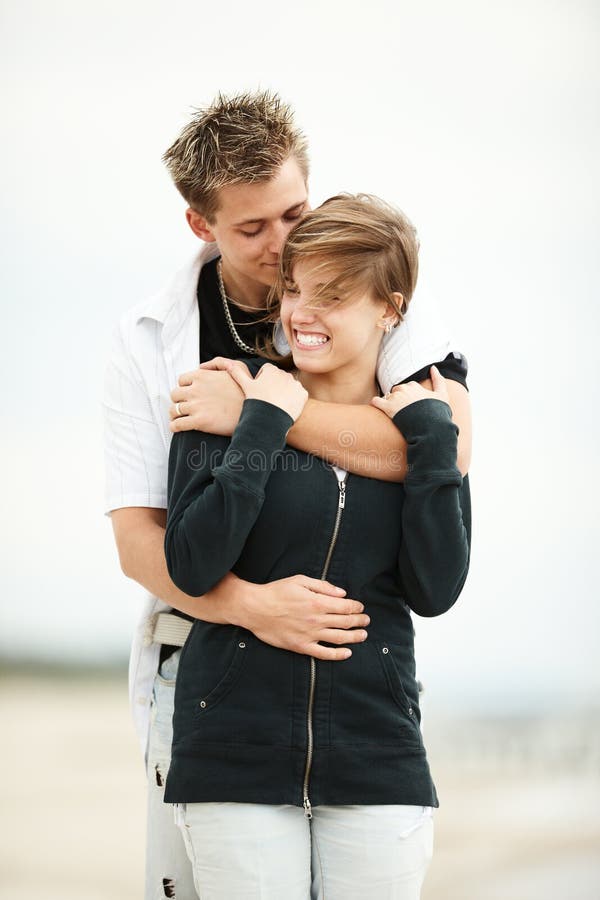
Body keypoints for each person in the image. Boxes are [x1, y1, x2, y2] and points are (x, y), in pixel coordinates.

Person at [103, 91, 472, 900]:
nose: (284, 248)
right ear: (203, 226)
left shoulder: (370, 277)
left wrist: (265, 412)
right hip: (201, 660)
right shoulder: (154, 340)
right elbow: (140, 542)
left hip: (362, 714)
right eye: (252, 228)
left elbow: (445, 451)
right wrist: (250, 607)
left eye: (294, 212)